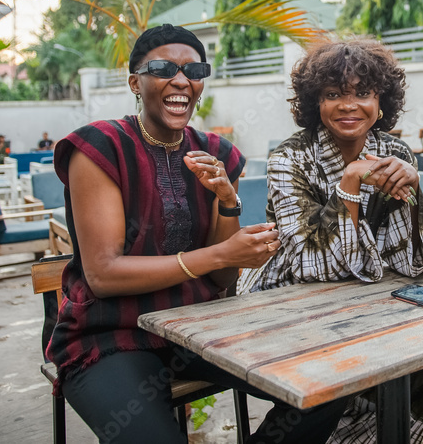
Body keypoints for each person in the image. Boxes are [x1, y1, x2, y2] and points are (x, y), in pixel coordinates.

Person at [47, 24, 348, 444]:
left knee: (326, 388)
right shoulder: (102, 147)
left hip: (202, 329)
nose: (181, 80)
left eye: (193, 70)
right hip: (113, 336)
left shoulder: (218, 154)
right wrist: (221, 256)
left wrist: (227, 200)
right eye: (164, 67)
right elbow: (103, 274)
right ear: (135, 81)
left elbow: (222, 280)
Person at [237, 37, 423, 443]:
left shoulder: (395, 152)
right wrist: (349, 183)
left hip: (366, 292)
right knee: (337, 375)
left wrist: (412, 187)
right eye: (334, 95)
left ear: (382, 100)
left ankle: (369, 428)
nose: (349, 105)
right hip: (285, 297)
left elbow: (414, 260)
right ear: (316, 103)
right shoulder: (290, 158)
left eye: (362, 93)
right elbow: (315, 264)